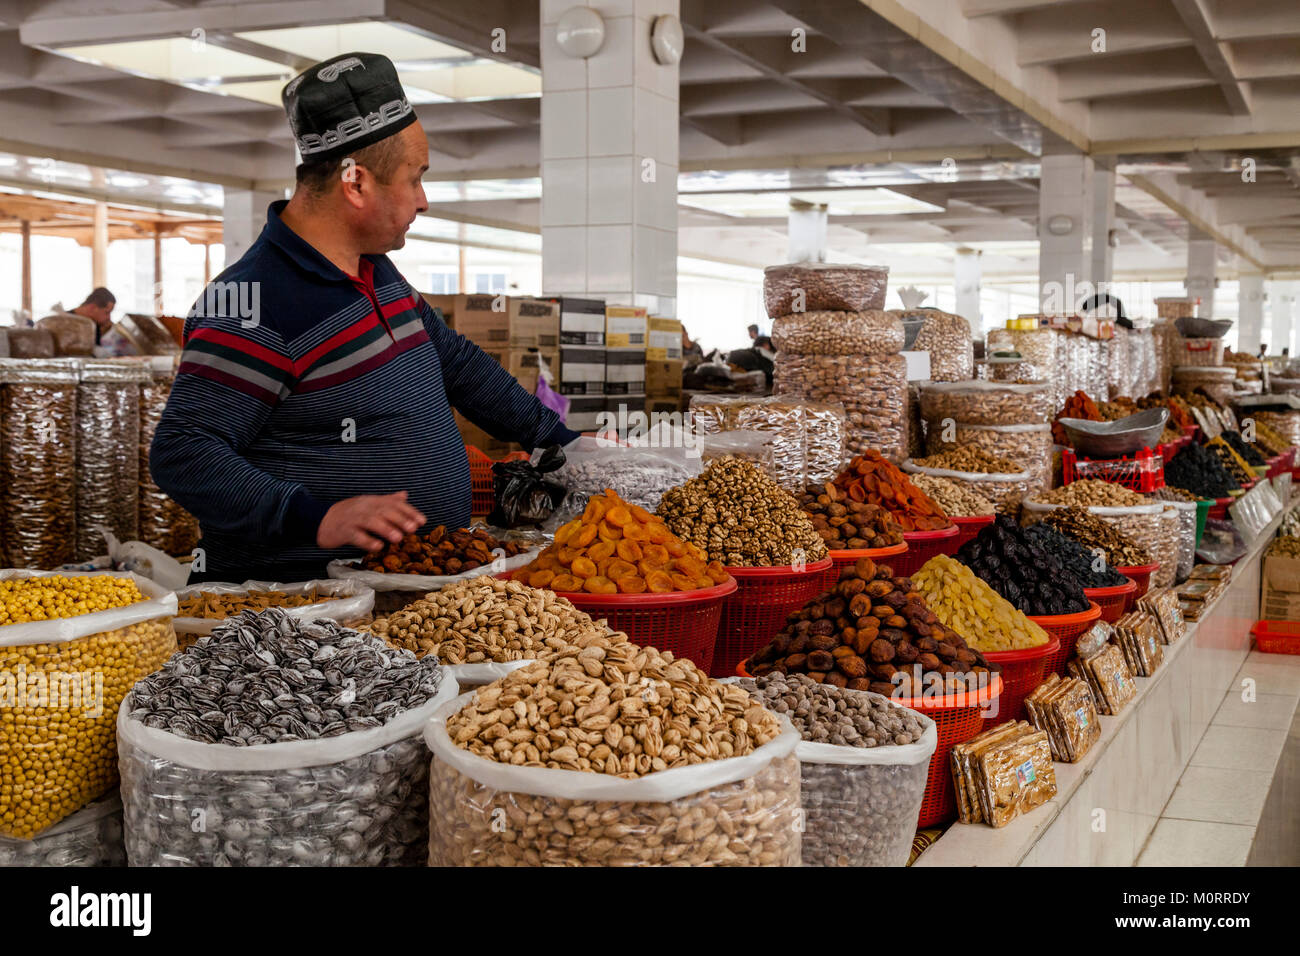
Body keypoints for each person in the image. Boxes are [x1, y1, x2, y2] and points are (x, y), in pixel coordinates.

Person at [150, 52, 579, 583]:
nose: (423, 201)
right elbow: (184, 452)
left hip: (396, 593)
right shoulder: (252, 301)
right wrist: (319, 517)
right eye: (415, 178)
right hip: (300, 614)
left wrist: (561, 442)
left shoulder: (377, 272)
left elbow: (455, 362)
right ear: (356, 183)